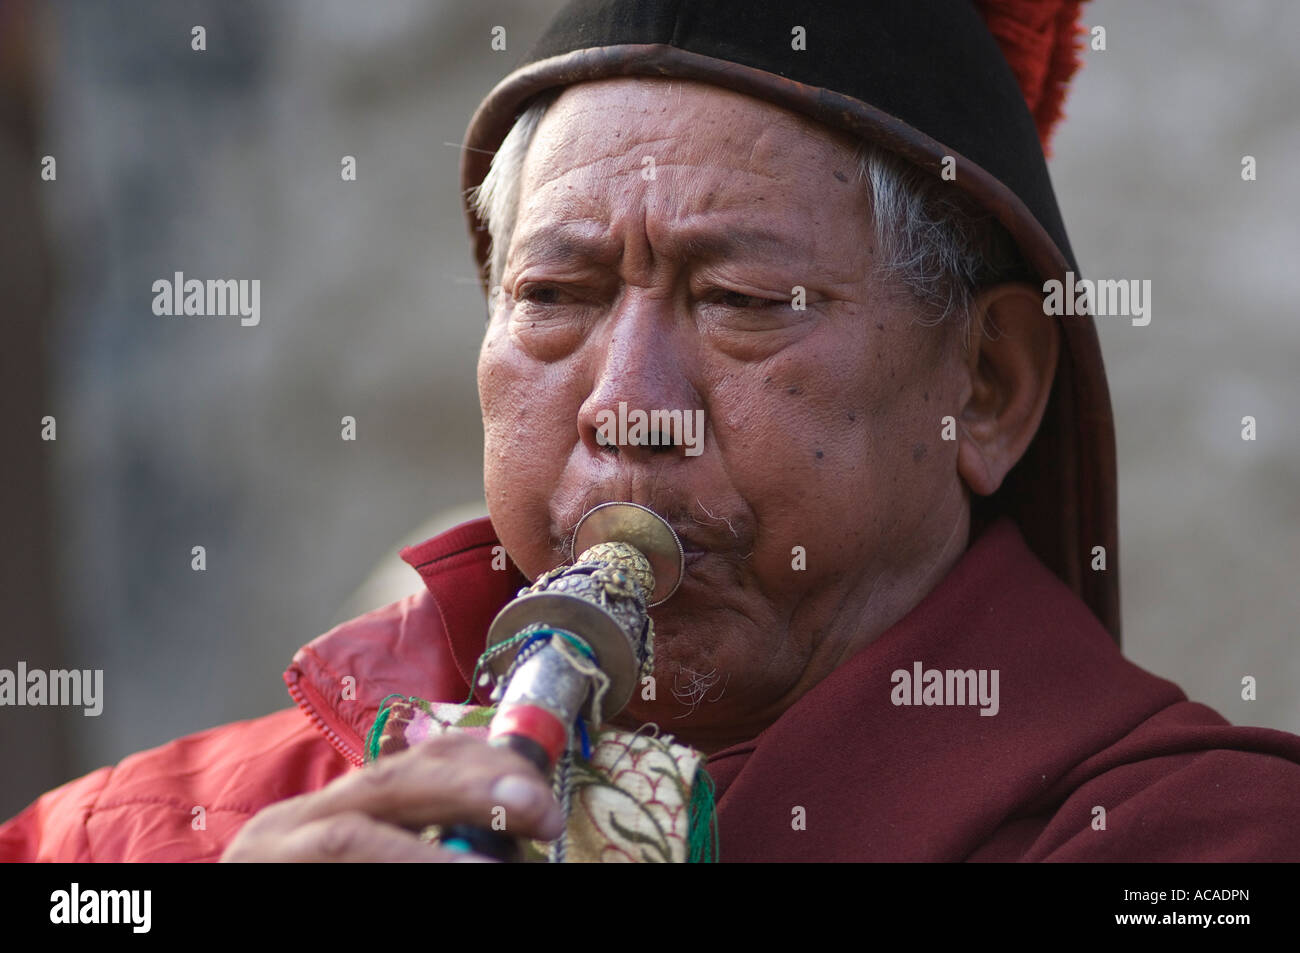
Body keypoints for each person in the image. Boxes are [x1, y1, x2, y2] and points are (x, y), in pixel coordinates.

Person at [4, 0, 1298, 862]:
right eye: (553, 299)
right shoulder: (144, 838)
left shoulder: (1201, 844)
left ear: (989, 385)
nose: (627, 401)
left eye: (740, 302)